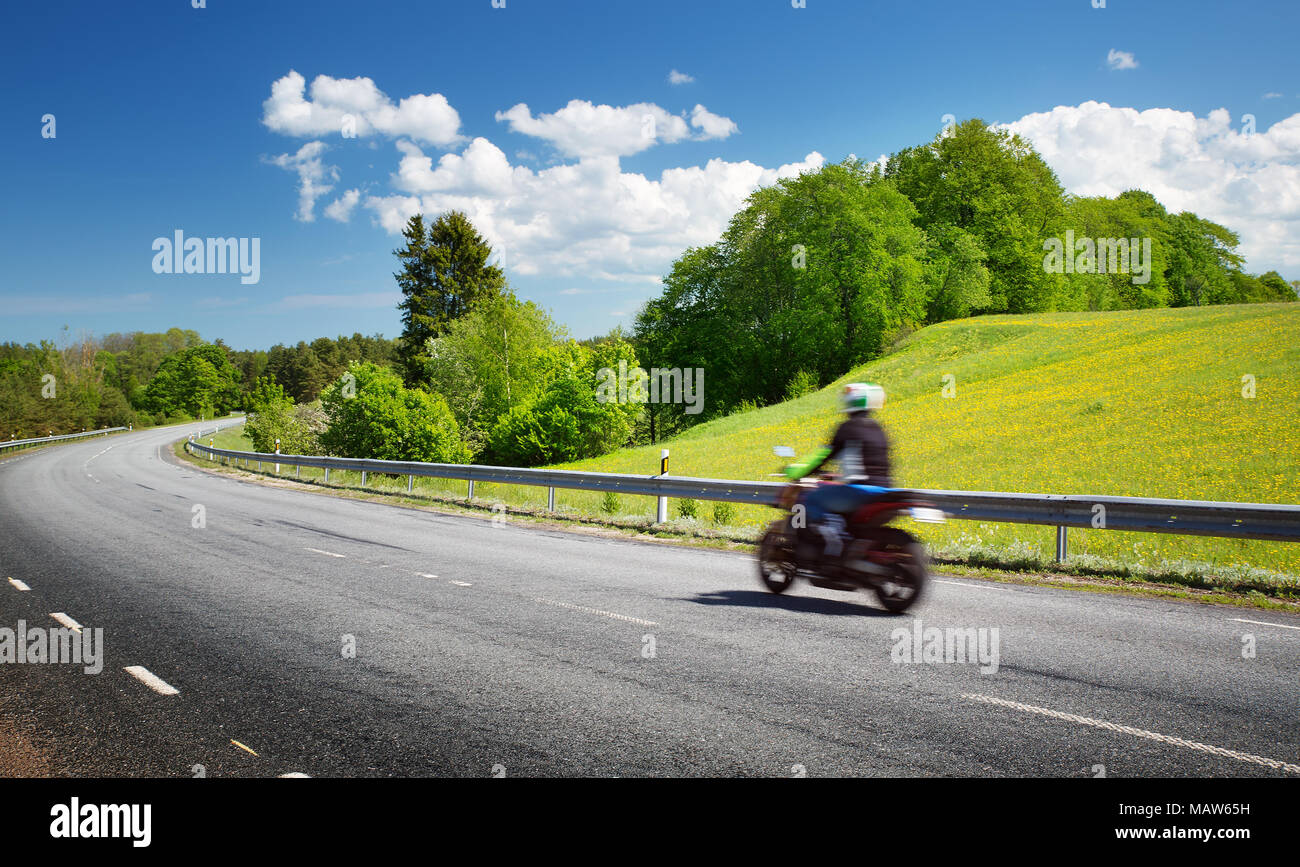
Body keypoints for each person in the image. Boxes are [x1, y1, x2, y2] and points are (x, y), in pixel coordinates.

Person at [784, 383, 894, 562]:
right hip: (885, 490)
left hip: (859, 491)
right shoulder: (879, 429)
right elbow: (871, 462)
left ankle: (835, 543)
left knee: (811, 499)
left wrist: (801, 472)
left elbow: (824, 456)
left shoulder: (848, 427)